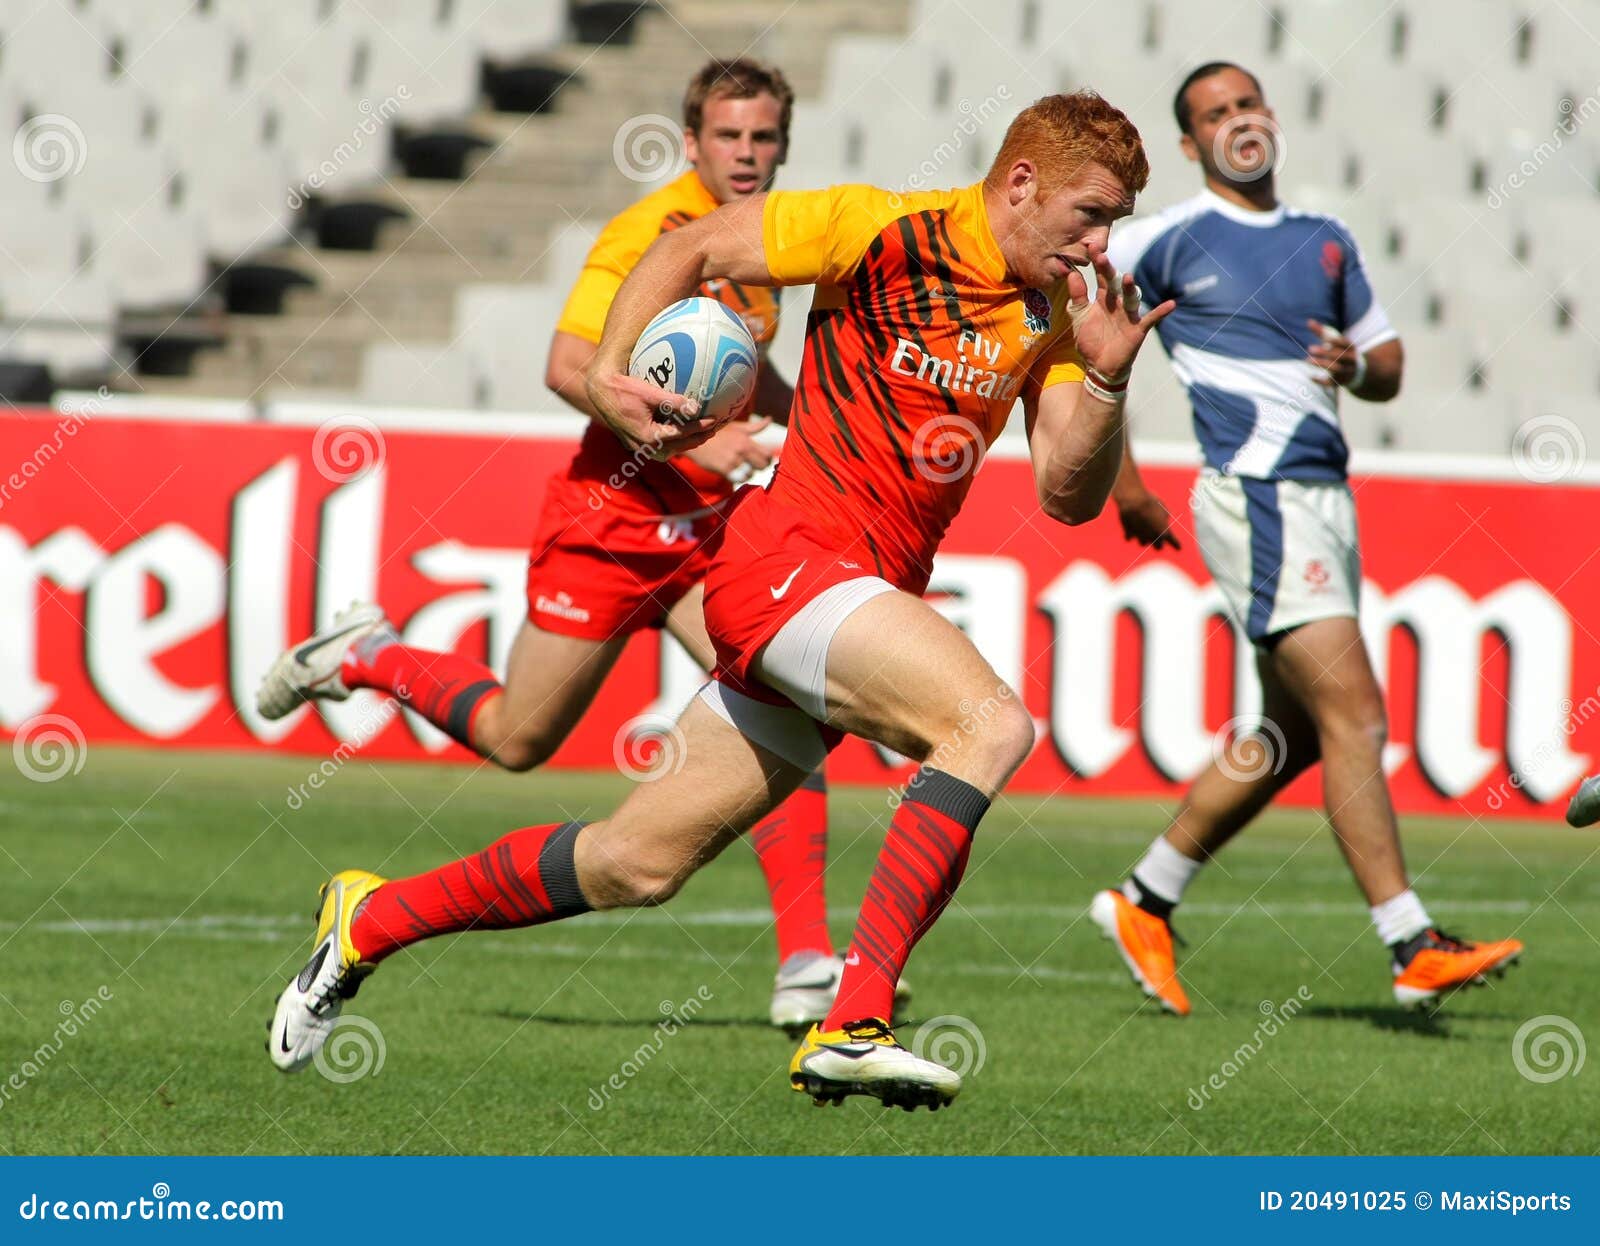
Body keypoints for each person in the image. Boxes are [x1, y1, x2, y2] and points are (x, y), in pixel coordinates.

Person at [266, 90, 1173, 1110]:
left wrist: (1104, 385)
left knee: (633, 864)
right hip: (787, 561)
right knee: (988, 724)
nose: (1101, 243)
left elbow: (1065, 495)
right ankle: (854, 1018)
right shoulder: (878, 227)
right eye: (1091, 215)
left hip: (842, 597)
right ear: (1022, 183)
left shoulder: (1054, 315)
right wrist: (609, 373)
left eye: (1116, 222)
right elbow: (692, 245)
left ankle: (370, 919)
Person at [255, 58, 877, 1033]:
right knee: (518, 738)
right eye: (728, 135)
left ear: (784, 145)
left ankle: (805, 960)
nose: (747, 153)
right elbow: (568, 364)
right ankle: (369, 655)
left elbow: (741, 374)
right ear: (691, 142)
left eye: (763, 137)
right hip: (611, 521)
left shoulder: (759, 239)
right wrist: (703, 443)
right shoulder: (649, 235)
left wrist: (811, 434)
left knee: (785, 697)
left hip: (706, 533)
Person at [1089, 62, 1522, 1015]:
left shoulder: (1325, 238)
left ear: (1271, 115)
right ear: (1191, 144)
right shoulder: (1165, 239)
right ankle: (1411, 943)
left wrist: (1356, 365)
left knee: (1287, 736)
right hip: (1259, 497)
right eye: (1215, 114)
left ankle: (1144, 898)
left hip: (1325, 497)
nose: (1237, 121)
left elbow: (1391, 366)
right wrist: (1123, 483)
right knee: (1355, 717)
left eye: (1246, 103)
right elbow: (1087, 348)